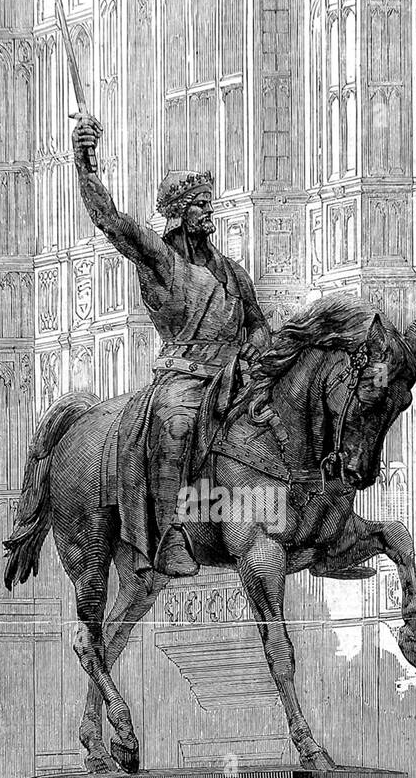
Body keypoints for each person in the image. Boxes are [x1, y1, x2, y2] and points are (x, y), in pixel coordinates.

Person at [72, 112, 270, 579]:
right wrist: (85, 163)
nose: (210, 212)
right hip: (183, 375)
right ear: (180, 213)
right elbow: (111, 221)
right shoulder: (161, 259)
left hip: (235, 375)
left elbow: (259, 324)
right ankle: (170, 533)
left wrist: (254, 353)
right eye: (201, 205)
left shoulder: (232, 272)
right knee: (177, 425)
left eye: (209, 202)